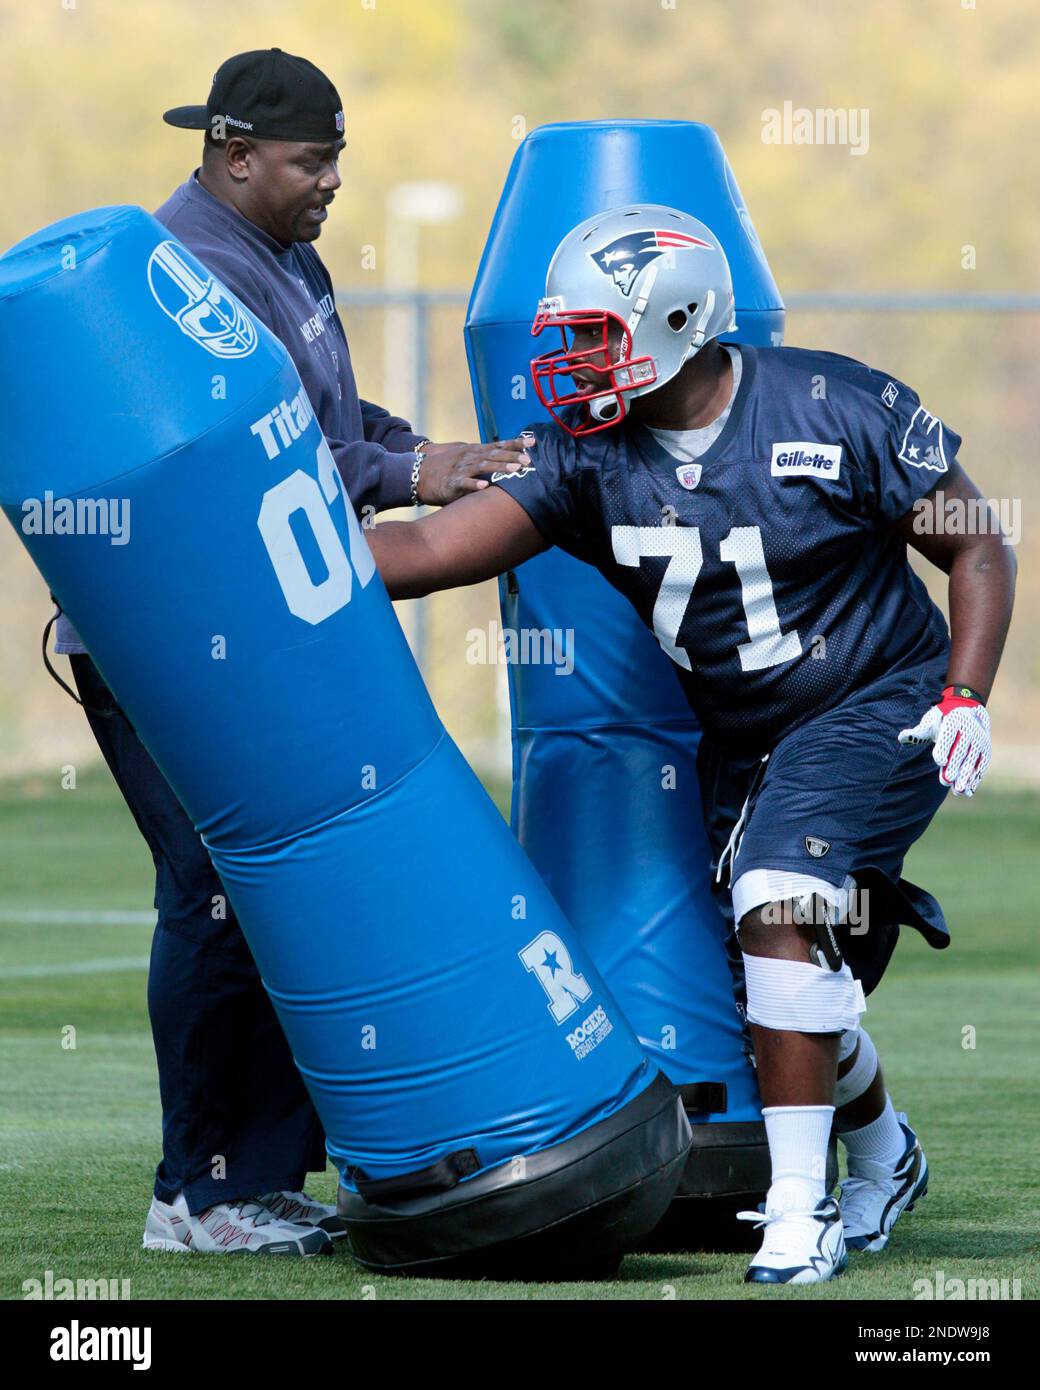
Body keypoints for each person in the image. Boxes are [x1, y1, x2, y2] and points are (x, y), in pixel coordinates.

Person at [365, 204, 1016, 1284]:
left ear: (674, 317)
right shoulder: (586, 457)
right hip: (748, 740)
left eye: (589, 334)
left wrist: (964, 692)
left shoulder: (828, 402)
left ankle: (799, 1209)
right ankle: (883, 1154)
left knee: (774, 899)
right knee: (786, 985)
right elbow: (434, 548)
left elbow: (977, 543)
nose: (568, 359)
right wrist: (279, 545)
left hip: (882, 694)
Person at [50, 47, 529, 1257]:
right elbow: (261, 462)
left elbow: (329, 418)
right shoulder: (183, 273)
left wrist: (428, 455)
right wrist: (408, 479)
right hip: (170, 642)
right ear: (235, 154)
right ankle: (200, 1195)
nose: (329, 185)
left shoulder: (283, 255)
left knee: (276, 893)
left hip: (255, 634)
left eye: (335, 160)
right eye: (312, 162)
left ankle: (260, 1177)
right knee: (219, 894)